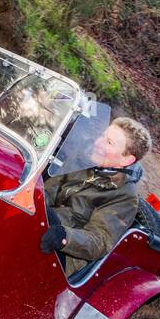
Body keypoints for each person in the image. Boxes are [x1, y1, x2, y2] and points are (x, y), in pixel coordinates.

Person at [40, 116, 152, 277]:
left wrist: (65, 237)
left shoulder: (125, 196)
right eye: (102, 136)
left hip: (66, 251)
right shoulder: (82, 159)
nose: (98, 143)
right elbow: (48, 192)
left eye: (109, 143)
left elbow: (99, 240)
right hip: (44, 222)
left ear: (126, 159)